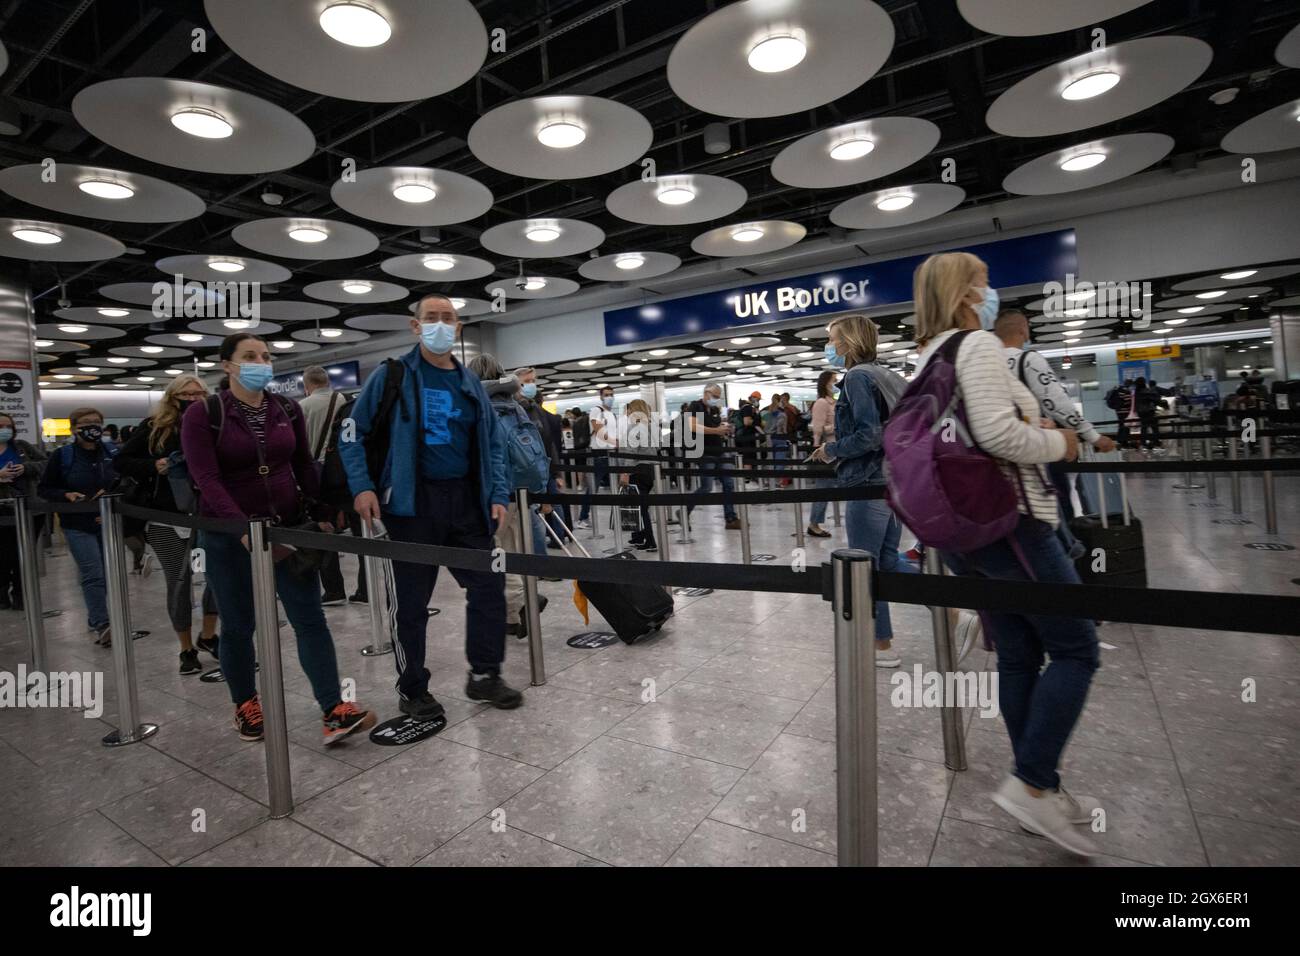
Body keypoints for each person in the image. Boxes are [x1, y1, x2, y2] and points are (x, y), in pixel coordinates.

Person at [910, 251, 1099, 857]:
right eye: (984, 284)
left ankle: (1037, 789)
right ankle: (1033, 784)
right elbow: (996, 434)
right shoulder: (977, 347)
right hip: (1012, 520)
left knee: (1019, 653)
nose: (991, 295)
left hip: (964, 529)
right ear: (966, 294)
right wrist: (1061, 443)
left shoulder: (925, 358)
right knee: (1075, 647)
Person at [183, 333, 376, 744]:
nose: (261, 362)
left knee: (310, 619)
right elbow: (207, 479)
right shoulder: (205, 414)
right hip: (227, 536)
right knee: (238, 625)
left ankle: (332, 709)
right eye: (249, 356)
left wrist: (324, 509)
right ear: (227, 365)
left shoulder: (285, 408)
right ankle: (246, 704)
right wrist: (241, 529)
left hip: (286, 529)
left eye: (266, 356)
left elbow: (303, 464)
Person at [340, 294, 522, 718]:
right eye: (431, 318)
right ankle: (412, 687)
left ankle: (484, 675)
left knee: (488, 587)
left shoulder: (469, 383)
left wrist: (498, 493)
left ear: (458, 328)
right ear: (415, 326)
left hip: (465, 501)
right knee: (411, 603)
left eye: (448, 319)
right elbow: (351, 432)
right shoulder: (393, 375)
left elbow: (494, 444)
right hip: (411, 503)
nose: (440, 324)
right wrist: (362, 486)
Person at [811, 317, 918, 668]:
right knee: (886, 561)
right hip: (893, 480)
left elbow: (869, 435)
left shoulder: (857, 377)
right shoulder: (887, 375)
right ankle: (954, 603)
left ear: (849, 342)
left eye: (833, 340)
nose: (830, 346)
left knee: (864, 566)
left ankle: (882, 645)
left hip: (867, 482)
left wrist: (831, 449)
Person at [115, 375, 220, 675]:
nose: (193, 399)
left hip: (208, 513)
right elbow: (121, 461)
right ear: (173, 397)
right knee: (178, 582)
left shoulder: (212, 425)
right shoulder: (152, 428)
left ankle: (209, 635)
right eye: (186, 394)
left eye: (199, 394)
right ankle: (186, 647)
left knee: (216, 577)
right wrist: (155, 465)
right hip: (165, 515)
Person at [994, 309, 1116, 530]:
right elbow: (1057, 403)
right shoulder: (1028, 360)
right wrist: (1094, 437)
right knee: (1056, 511)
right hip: (1037, 451)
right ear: (1024, 329)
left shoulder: (986, 364)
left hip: (998, 456)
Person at [467, 353, 549, 638]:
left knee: (499, 552)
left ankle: (520, 606)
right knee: (517, 550)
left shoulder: (477, 407)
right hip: (523, 490)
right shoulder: (516, 405)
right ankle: (520, 605)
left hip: (495, 493)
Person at [38, 407, 118, 645]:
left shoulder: (112, 452)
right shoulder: (62, 456)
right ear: (74, 428)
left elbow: (124, 480)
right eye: (85, 423)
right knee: (93, 574)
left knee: (108, 573)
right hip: (77, 524)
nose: (91, 427)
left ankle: (102, 615)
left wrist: (112, 494)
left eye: (96, 422)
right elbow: (45, 488)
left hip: (108, 521)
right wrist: (66, 494)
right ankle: (101, 622)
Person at [300, 365, 352, 606]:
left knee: (325, 527)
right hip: (346, 472)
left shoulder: (303, 407)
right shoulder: (345, 400)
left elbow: (300, 448)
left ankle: (334, 589)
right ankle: (365, 588)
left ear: (307, 384)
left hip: (318, 475)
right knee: (360, 530)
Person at [515, 369, 571, 551]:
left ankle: (556, 540)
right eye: (526, 381)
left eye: (533, 381)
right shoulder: (514, 408)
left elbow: (549, 441)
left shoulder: (536, 409)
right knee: (534, 513)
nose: (531, 385)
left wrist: (556, 472)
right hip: (527, 469)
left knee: (548, 506)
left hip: (544, 467)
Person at [0, 411, 47, 610]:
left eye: (8, 426)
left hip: (29, 507)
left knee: (24, 553)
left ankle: (20, 592)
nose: (4, 430)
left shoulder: (22, 447)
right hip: (3, 510)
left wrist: (25, 468)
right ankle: (2, 590)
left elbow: (46, 463)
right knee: (4, 554)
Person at [685, 383, 741, 530]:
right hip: (704, 452)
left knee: (728, 484)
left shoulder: (715, 409)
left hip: (719, 450)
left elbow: (719, 425)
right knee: (706, 487)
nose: (716, 399)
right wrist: (716, 431)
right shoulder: (695, 406)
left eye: (718, 396)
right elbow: (693, 427)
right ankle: (685, 511)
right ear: (706, 393)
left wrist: (726, 428)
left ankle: (731, 518)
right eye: (714, 396)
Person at [619, 398, 659, 551]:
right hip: (650, 472)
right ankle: (639, 537)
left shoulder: (634, 427)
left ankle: (650, 541)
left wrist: (624, 473)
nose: (627, 413)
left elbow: (631, 453)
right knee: (642, 506)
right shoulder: (650, 426)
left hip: (638, 471)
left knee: (641, 509)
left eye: (629, 410)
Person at [577, 386, 618, 527]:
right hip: (600, 453)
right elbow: (598, 430)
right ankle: (583, 517)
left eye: (612, 394)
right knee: (593, 487)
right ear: (601, 396)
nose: (610, 397)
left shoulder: (611, 414)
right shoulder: (596, 410)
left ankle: (619, 516)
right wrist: (614, 442)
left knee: (617, 485)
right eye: (607, 395)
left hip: (612, 453)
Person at [806, 371, 838, 538]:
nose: (836, 384)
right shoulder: (821, 403)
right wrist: (836, 427)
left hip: (837, 449)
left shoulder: (834, 402)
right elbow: (817, 429)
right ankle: (814, 524)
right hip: (825, 451)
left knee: (828, 487)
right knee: (823, 488)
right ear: (825, 383)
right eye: (834, 381)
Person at [735, 391, 761, 475]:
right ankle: (748, 477)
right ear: (754, 398)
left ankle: (749, 477)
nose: (759, 401)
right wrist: (756, 422)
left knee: (747, 456)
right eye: (758, 399)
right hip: (747, 436)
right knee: (748, 457)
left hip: (743, 435)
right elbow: (746, 422)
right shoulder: (748, 408)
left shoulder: (747, 407)